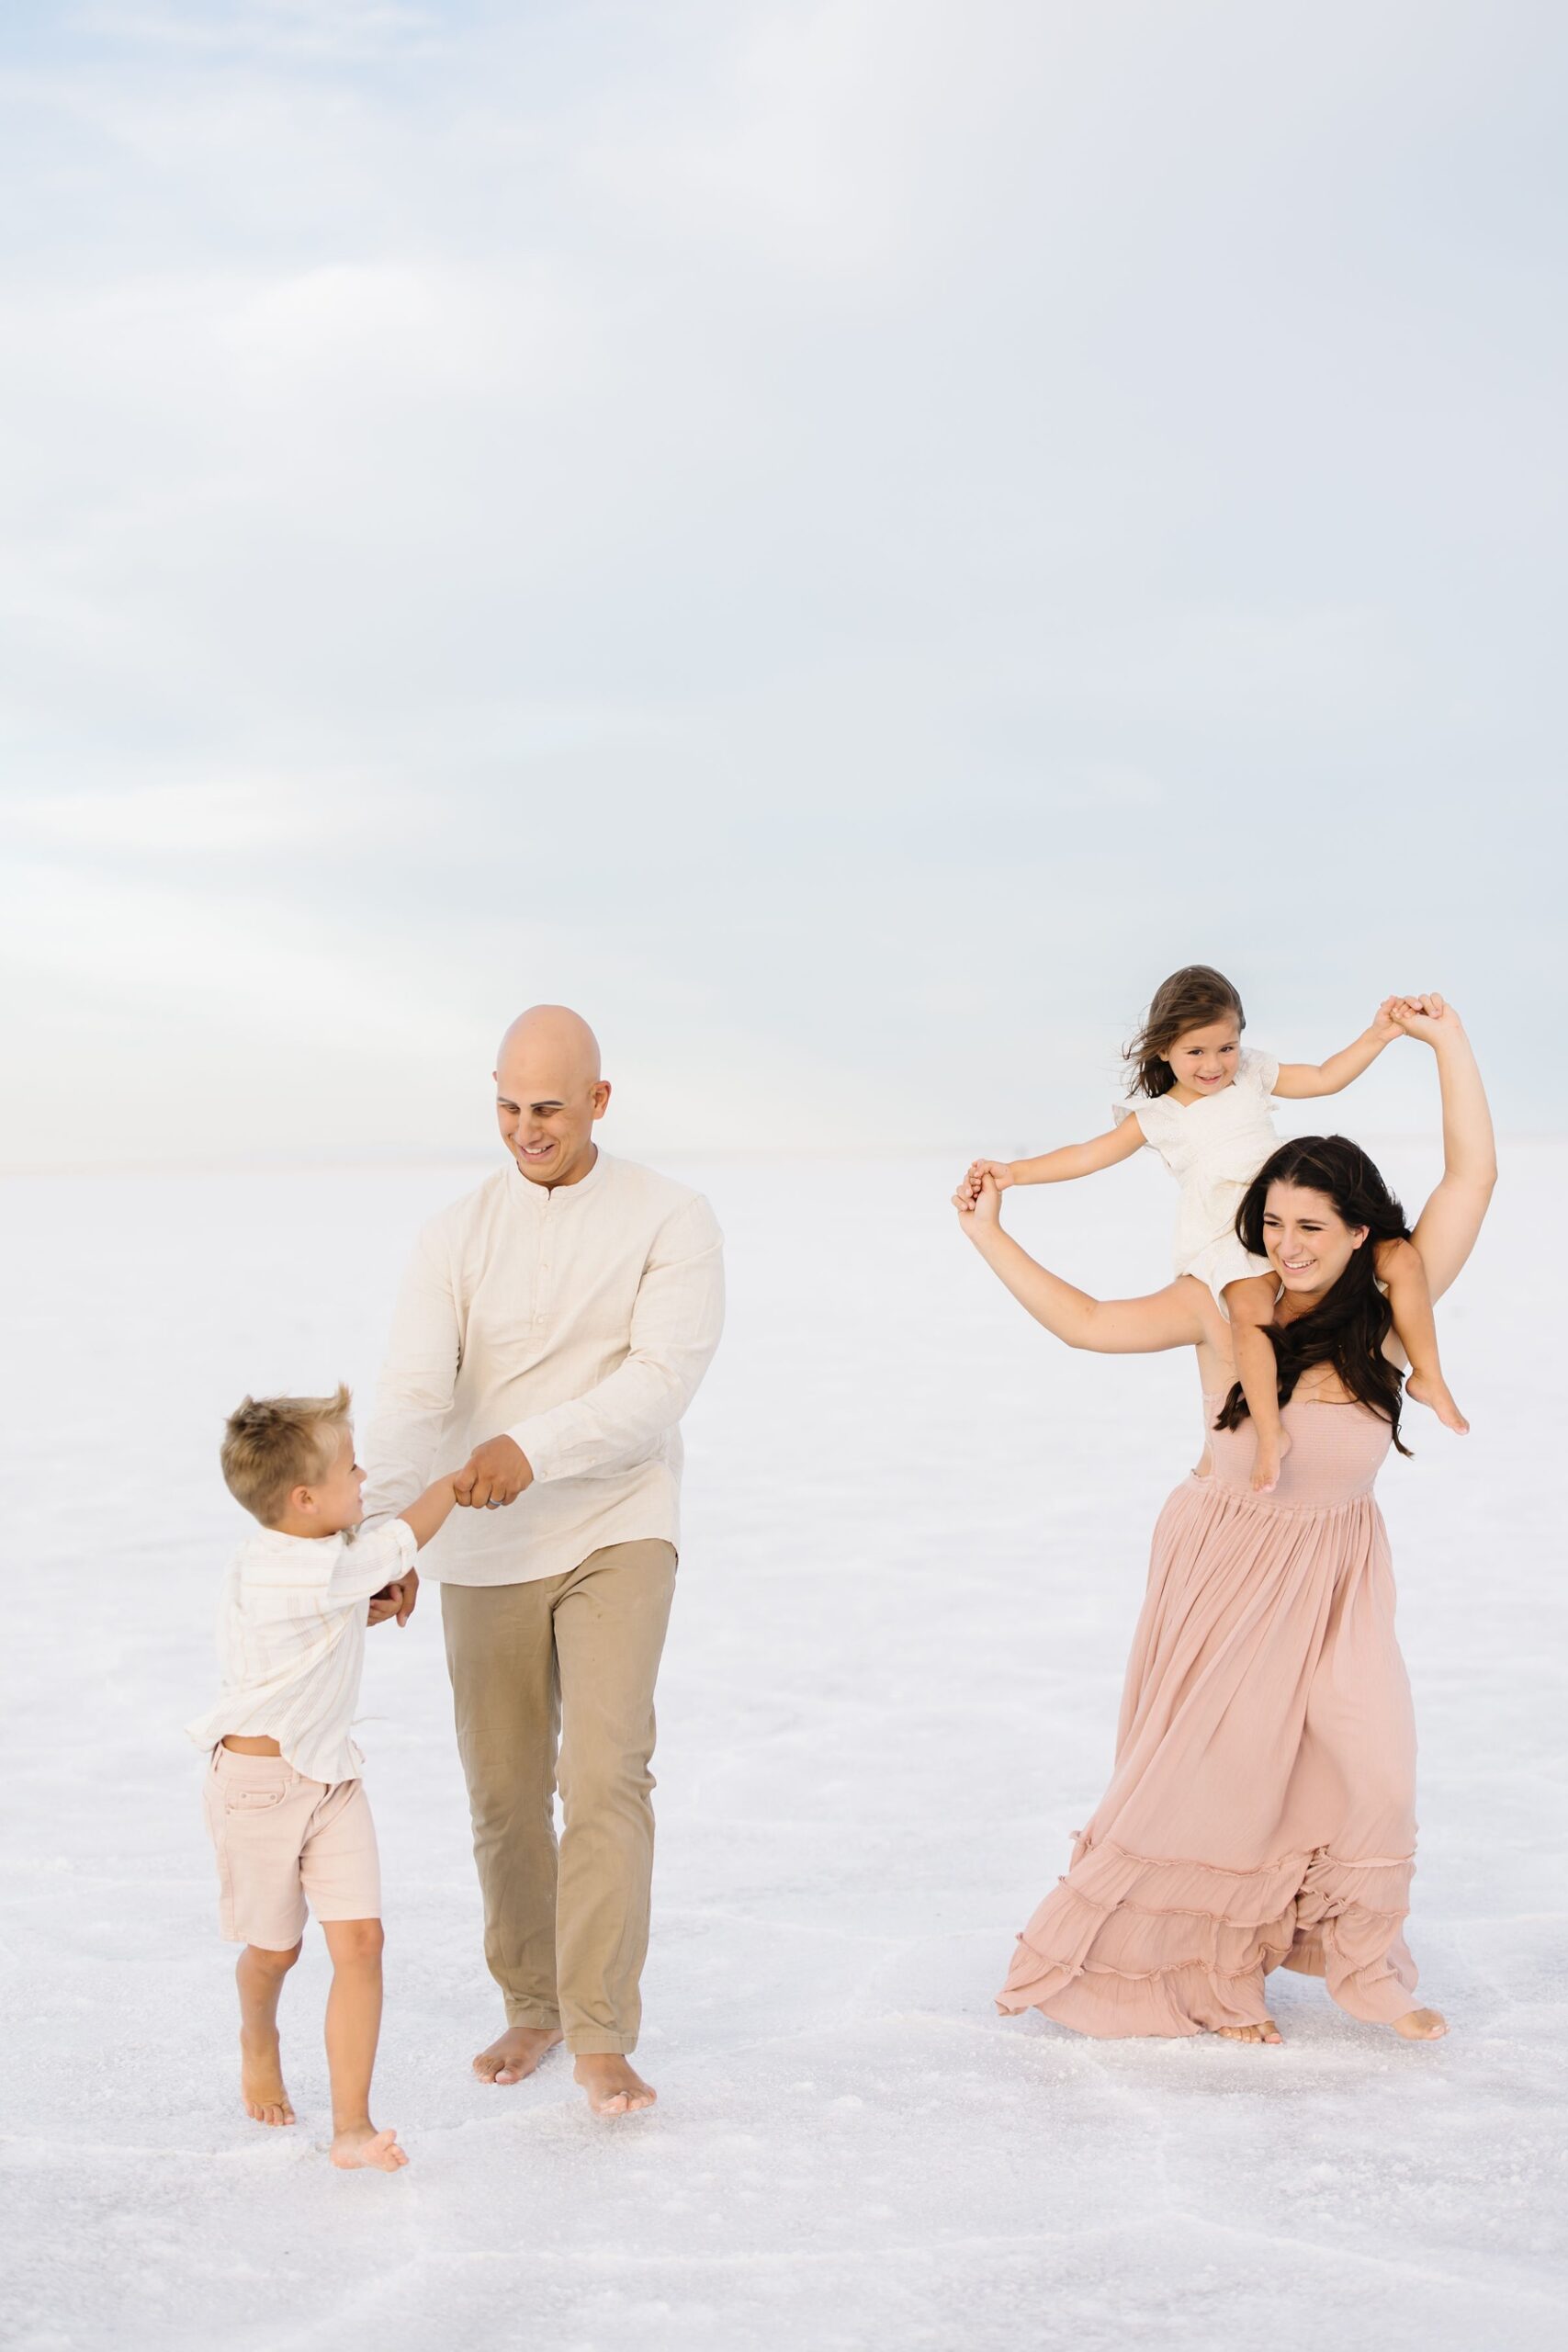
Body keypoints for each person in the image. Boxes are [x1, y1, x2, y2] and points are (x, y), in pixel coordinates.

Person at [953, 994, 1495, 2045]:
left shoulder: (1389, 1316)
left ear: (1361, 1234)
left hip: (1338, 1571)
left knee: (1377, 1767)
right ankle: (1207, 1977)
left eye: (1311, 1227)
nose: (1287, 1246)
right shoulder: (1223, 1307)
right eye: (1273, 1224)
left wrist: (1447, 1042)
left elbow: (1471, 1178)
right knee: (1222, 1782)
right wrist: (989, 1233)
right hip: (1225, 1561)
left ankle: (1365, 1968)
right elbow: (1088, 1322)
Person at [360, 1006, 725, 2117]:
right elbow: (413, 1396)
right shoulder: (452, 1236)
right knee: (506, 1788)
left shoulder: (672, 1216)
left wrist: (534, 1447)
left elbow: (659, 1383)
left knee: (605, 1770)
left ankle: (601, 2026)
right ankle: (534, 2003)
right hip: (484, 1543)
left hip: (619, 1517)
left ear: (600, 1101)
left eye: (551, 1108)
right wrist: (389, 1536)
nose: (528, 1128)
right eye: (510, 1106)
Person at [962, 966, 1466, 1491]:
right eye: (1196, 1051)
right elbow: (1087, 1156)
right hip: (1229, 1235)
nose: (1214, 1064)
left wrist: (1378, 1035)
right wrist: (1014, 1173)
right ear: (1164, 1049)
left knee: (1402, 1259)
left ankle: (1428, 1375)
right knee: (1249, 1317)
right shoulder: (1157, 1115)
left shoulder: (1250, 1074)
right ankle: (1270, 1434)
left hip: (1281, 1216)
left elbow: (1324, 1077)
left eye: (1226, 1047)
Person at [187, 1385, 458, 2169]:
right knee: (275, 1953)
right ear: (304, 1499)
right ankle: (259, 2035)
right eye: (350, 1468)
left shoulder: (316, 1556)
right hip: (259, 1789)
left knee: (362, 1943)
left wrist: (360, 1603)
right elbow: (393, 1543)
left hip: (331, 1779)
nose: (363, 1475)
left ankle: (352, 2128)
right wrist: (455, 1483)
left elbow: (352, 1574)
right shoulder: (290, 1570)